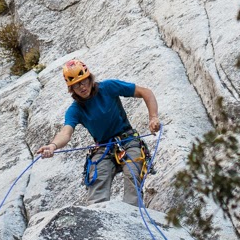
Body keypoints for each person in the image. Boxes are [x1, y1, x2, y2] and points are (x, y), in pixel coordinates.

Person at [36, 60, 161, 205]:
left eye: (84, 81)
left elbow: (145, 92)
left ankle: (134, 213)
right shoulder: (75, 110)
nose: (82, 87)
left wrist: (153, 117)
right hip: (103, 148)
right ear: (72, 89)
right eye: (76, 85)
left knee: (132, 176)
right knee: (96, 184)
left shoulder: (108, 88)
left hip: (128, 140)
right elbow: (66, 133)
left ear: (90, 79)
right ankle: (98, 217)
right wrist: (53, 146)